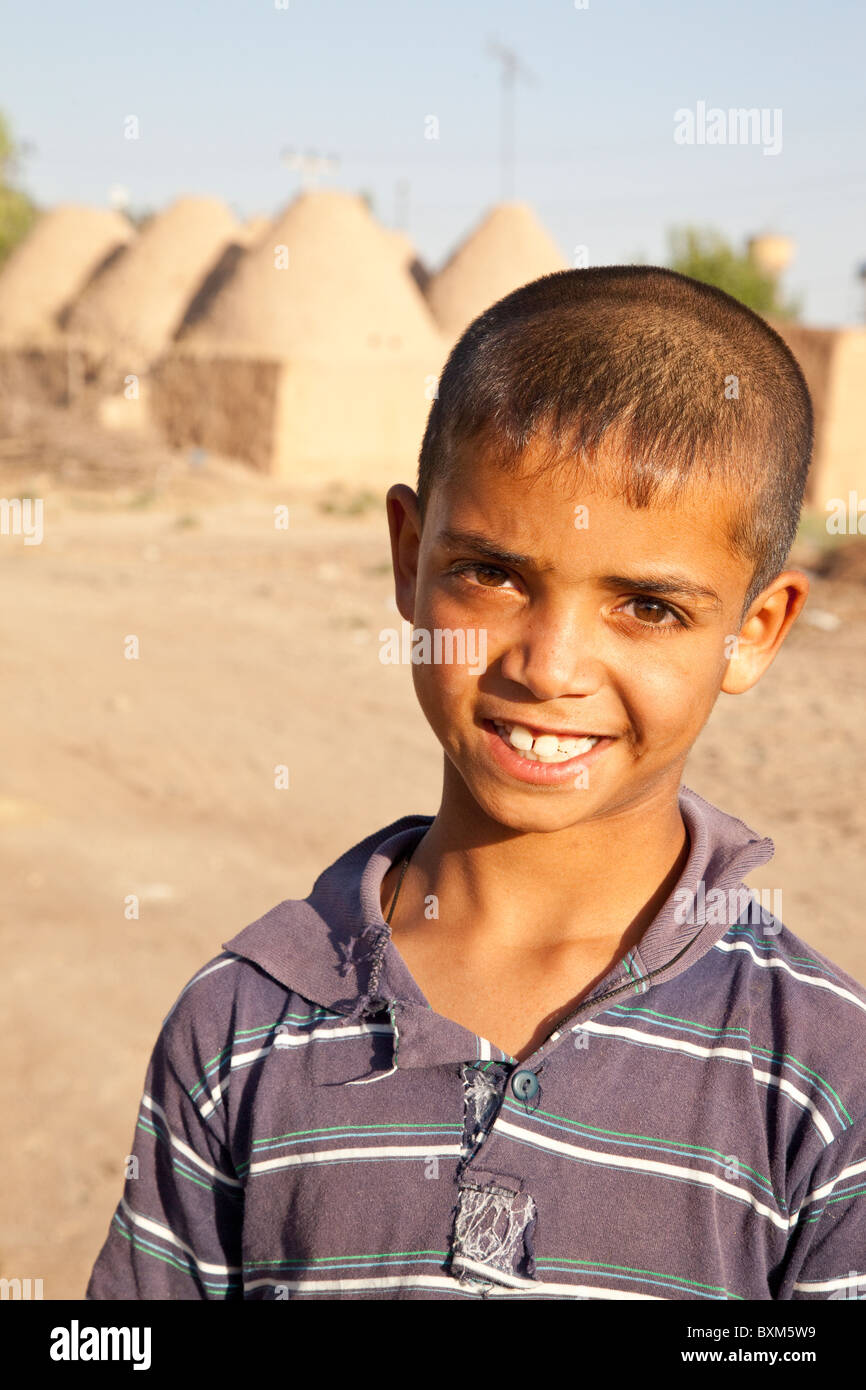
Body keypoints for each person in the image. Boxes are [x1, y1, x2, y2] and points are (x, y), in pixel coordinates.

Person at [87, 266, 866, 1300]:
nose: (548, 667)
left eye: (645, 605)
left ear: (752, 631)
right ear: (408, 557)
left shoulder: (819, 1074)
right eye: (493, 574)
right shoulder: (243, 1020)